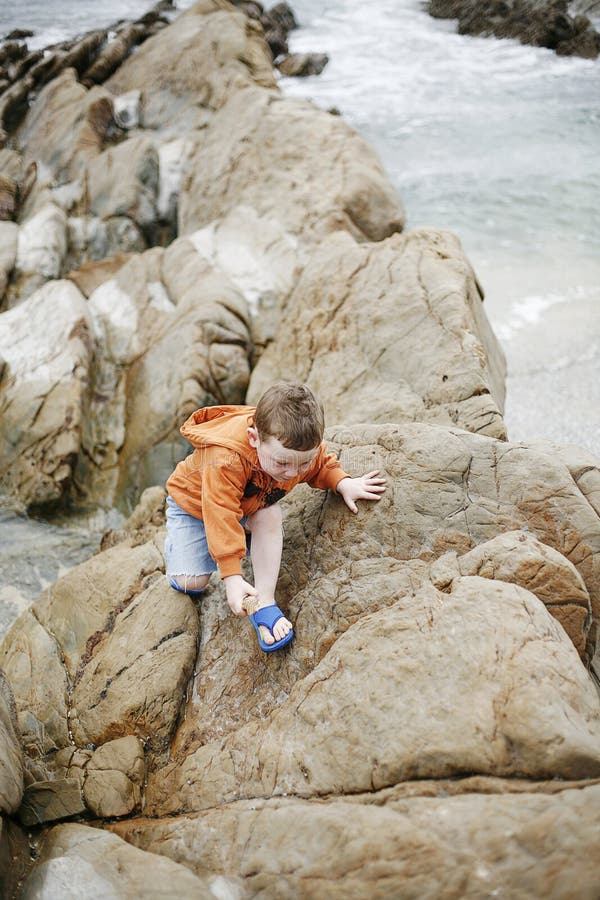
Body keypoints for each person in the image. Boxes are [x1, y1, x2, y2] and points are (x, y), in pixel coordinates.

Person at [164, 382, 386, 652]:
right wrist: (232, 576)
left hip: (246, 506)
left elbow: (320, 464)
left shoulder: (294, 448)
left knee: (270, 514)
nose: (293, 473)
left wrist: (342, 482)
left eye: (302, 463)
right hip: (194, 506)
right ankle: (184, 545)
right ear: (253, 438)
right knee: (191, 583)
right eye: (282, 463)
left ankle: (264, 602)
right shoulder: (226, 458)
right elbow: (220, 512)